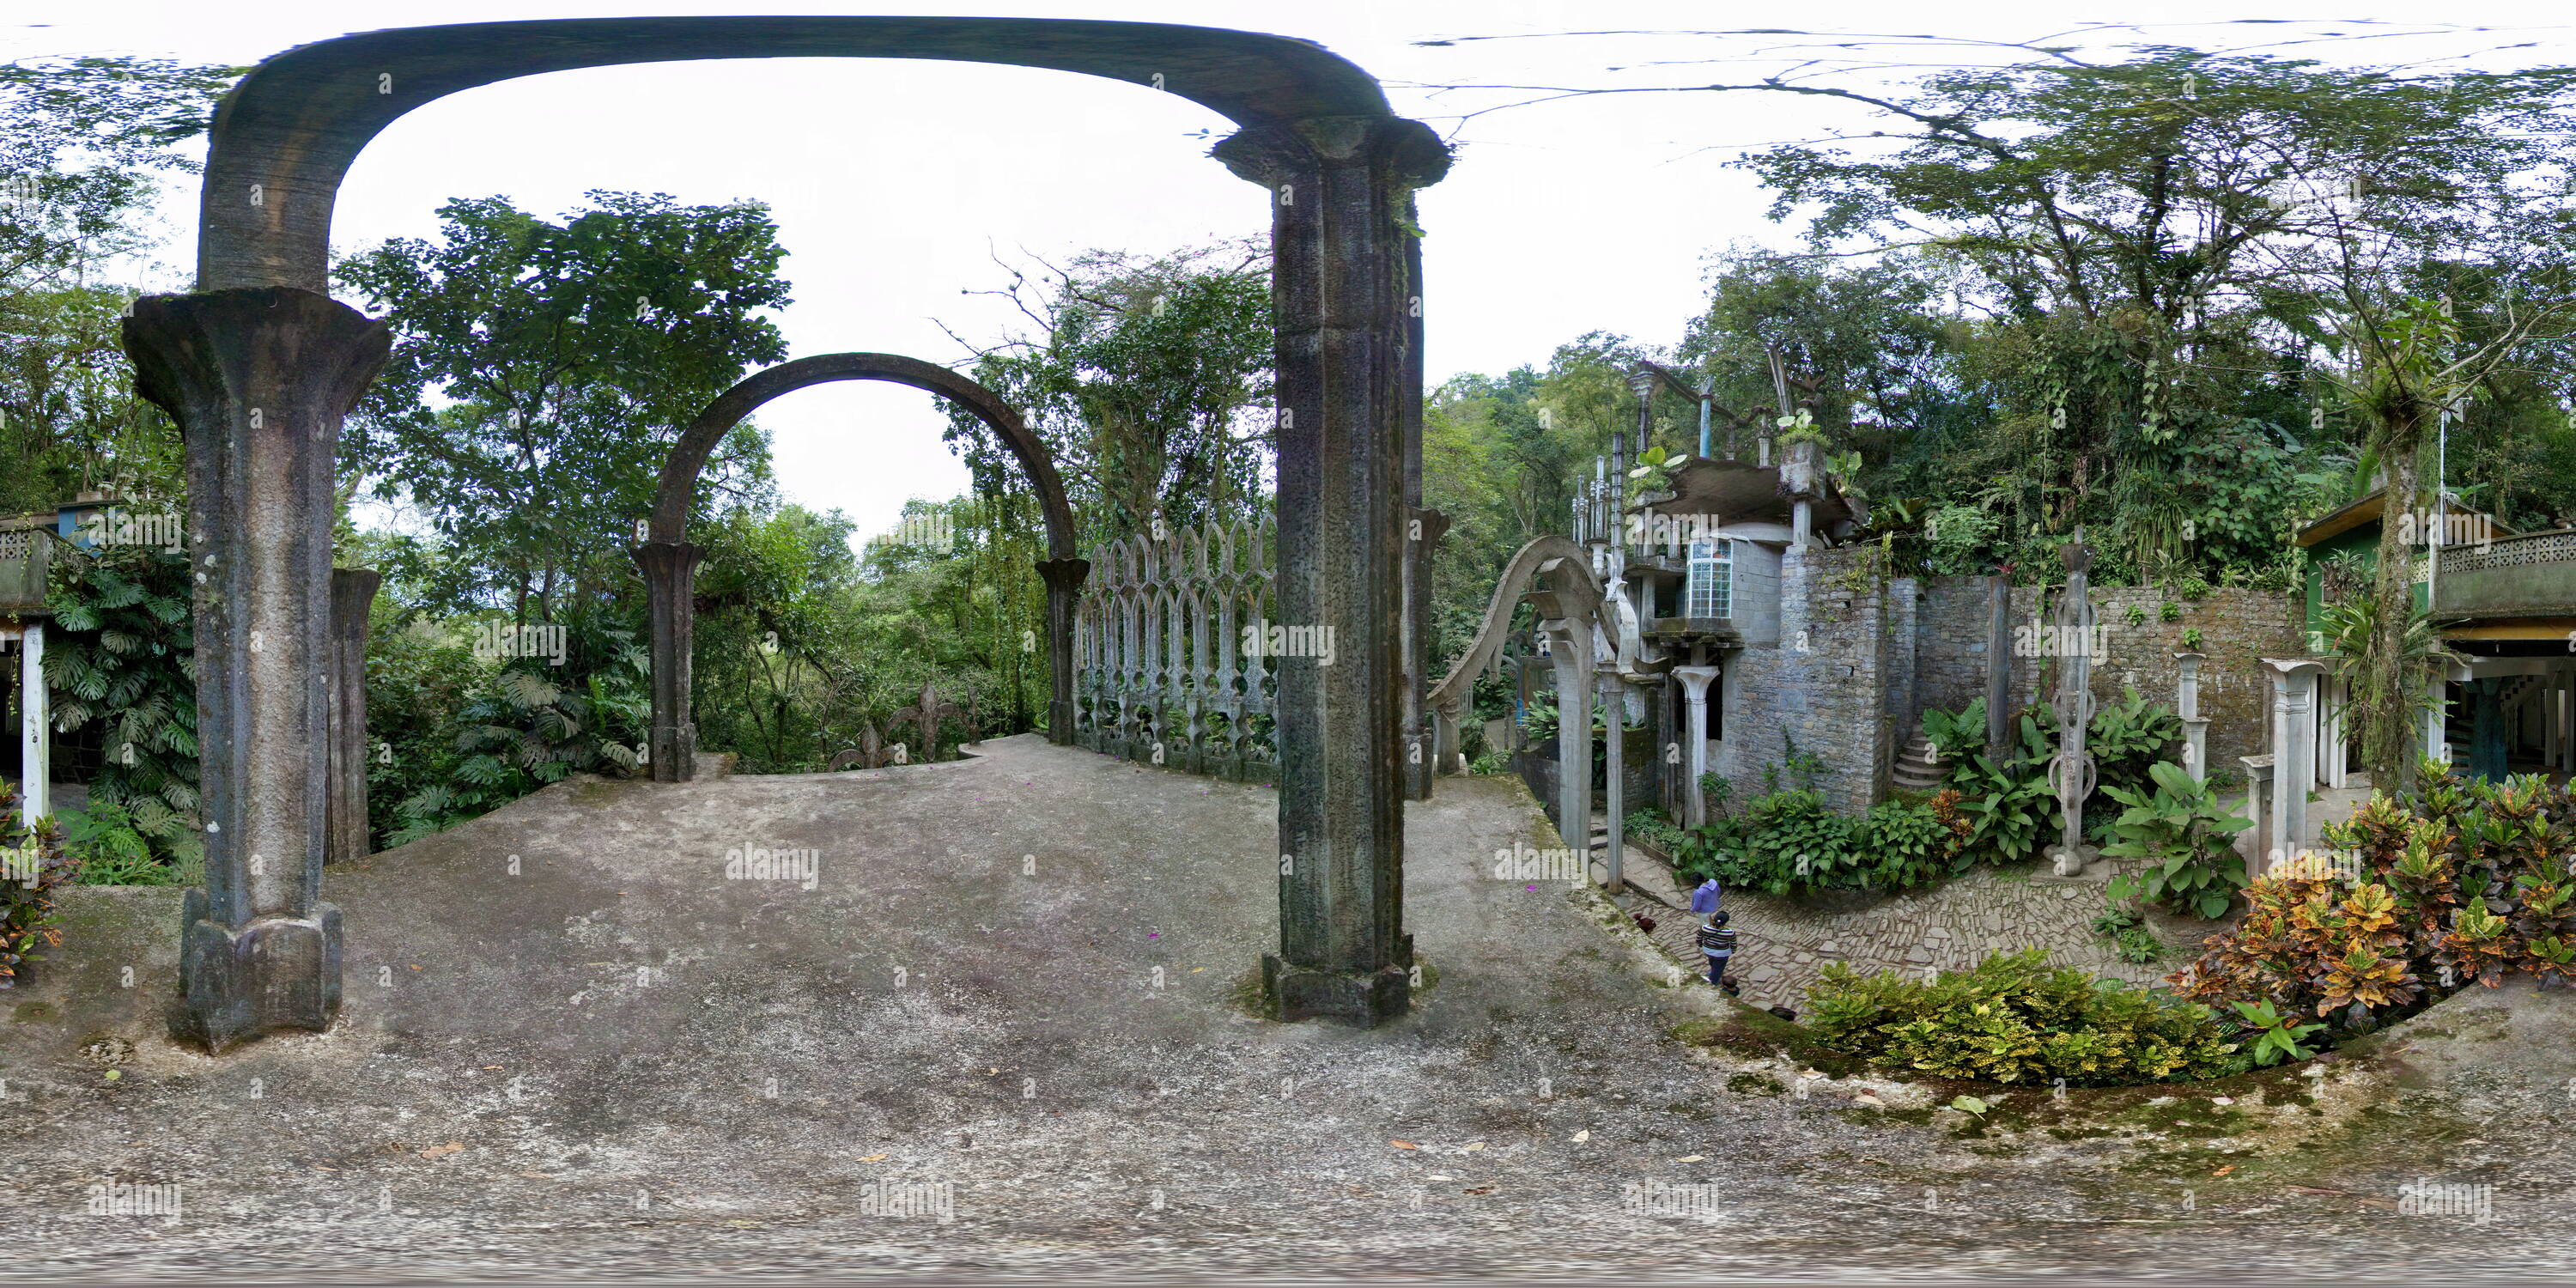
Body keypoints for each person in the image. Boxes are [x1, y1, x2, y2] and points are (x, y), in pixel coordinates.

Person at [1697, 908, 1740, 997]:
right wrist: (1733, 950)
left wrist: (1701, 945)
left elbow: (1699, 938)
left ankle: (1713, 971)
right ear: (1726, 922)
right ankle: (1712, 981)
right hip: (1722, 954)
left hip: (1708, 950)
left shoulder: (1704, 928)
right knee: (1719, 967)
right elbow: (1733, 943)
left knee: (1712, 961)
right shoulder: (1730, 932)